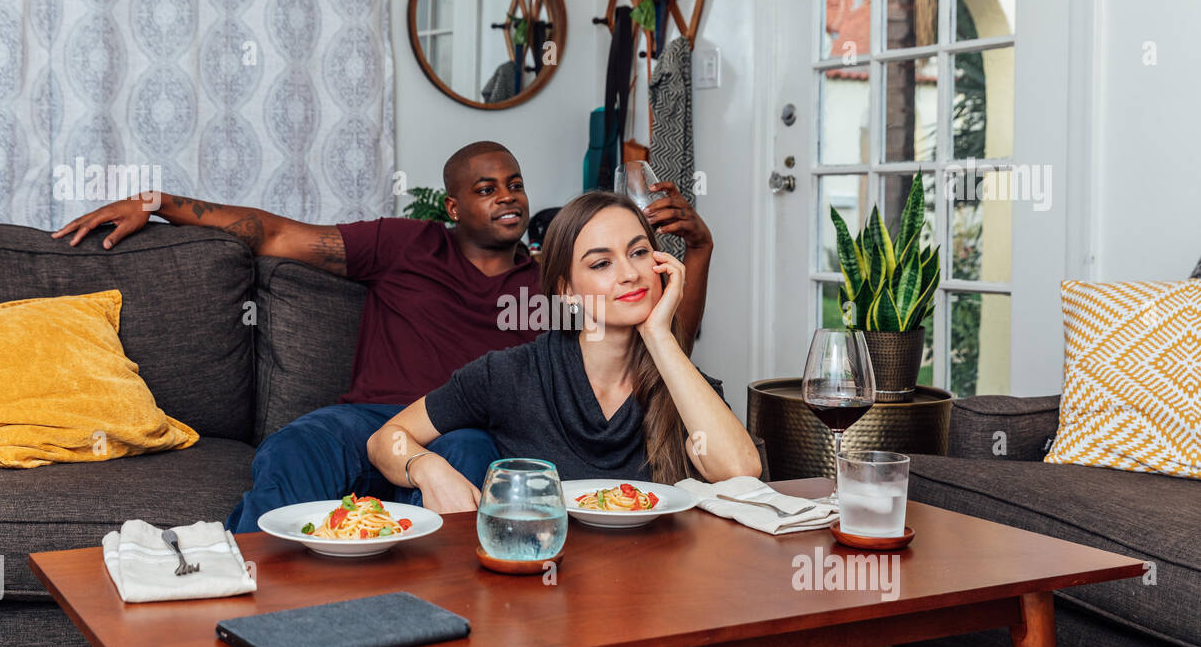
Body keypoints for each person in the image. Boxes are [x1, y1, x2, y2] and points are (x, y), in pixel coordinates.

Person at [51, 142, 716, 530]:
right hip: (365, 420)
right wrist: (158, 204)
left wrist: (700, 253)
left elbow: (659, 344)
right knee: (294, 448)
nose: (507, 198)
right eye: (486, 190)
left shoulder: (549, 284)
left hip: (460, 426)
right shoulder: (405, 245)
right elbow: (275, 234)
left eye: (514, 184)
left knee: (471, 454)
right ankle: (246, 622)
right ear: (453, 208)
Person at [367, 191, 761, 506]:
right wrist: (427, 468)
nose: (629, 273)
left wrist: (659, 335)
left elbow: (740, 470)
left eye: (639, 252)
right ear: (566, 291)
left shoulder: (683, 385)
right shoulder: (511, 375)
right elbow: (387, 439)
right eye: (601, 264)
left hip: (657, 589)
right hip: (547, 583)